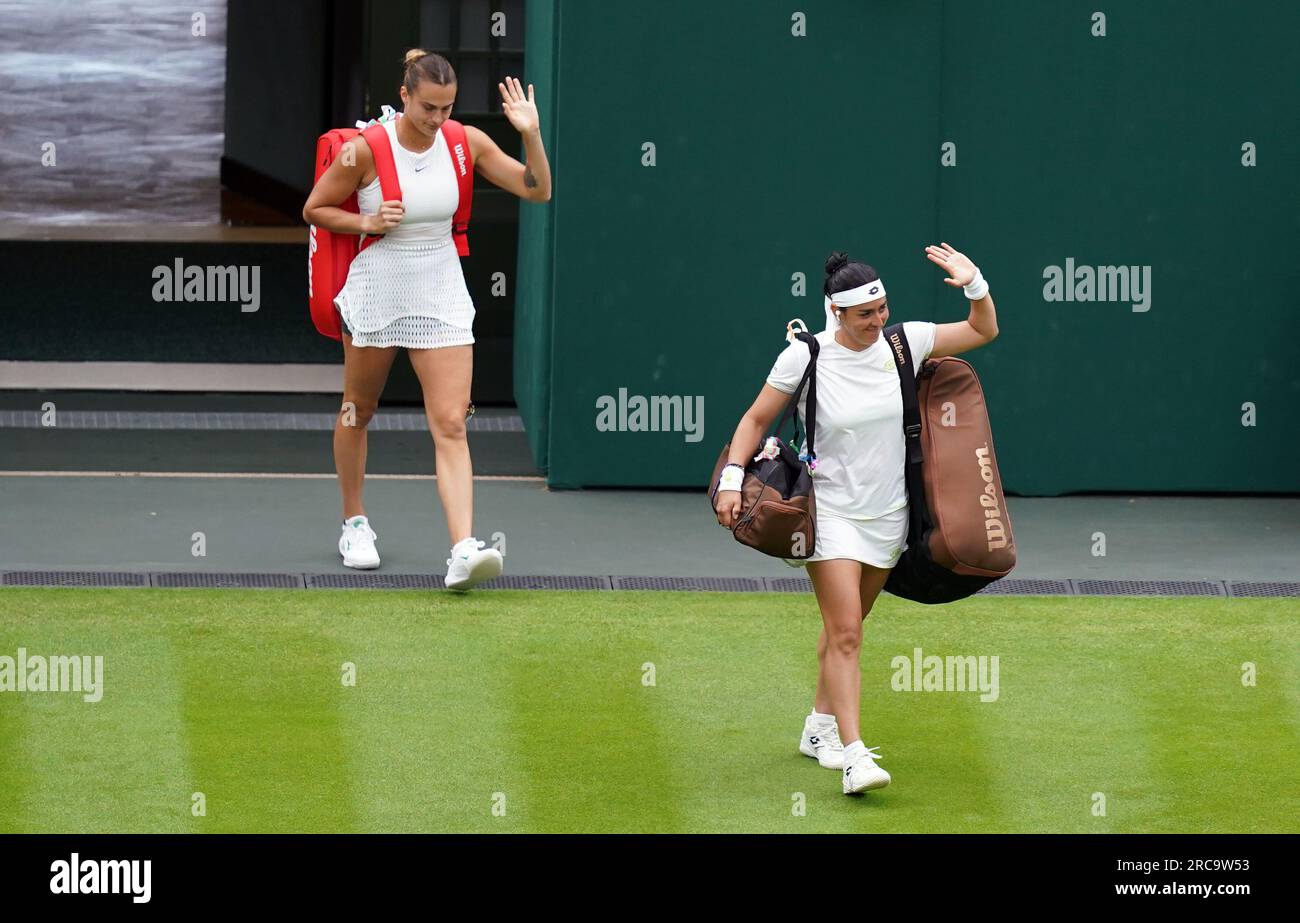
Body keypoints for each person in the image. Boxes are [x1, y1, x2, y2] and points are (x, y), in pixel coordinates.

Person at [714, 244, 999, 795]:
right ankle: (855, 756)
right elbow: (754, 419)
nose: (878, 320)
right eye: (865, 314)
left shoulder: (904, 343)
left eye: (882, 309)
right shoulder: (804, 356)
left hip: (890, 515)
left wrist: (975, 282)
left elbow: (981, 330)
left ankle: (817, 727)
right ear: (837, 313)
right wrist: (731, 477)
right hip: (830, 516)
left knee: (847, 627)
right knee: (846, 635)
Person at [302, 49, 552, 591]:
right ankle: (355, 523)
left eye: (447, 108)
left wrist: (530, 132)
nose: (438, 119)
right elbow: (315, 208)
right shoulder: (364, 149)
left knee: (451, 423)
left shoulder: (466, 142)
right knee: (357, 409)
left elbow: (538, 189)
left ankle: (463, 548)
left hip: (440, 289)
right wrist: (367, 219)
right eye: (428, 109)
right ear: (405, 98)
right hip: (377, 287)